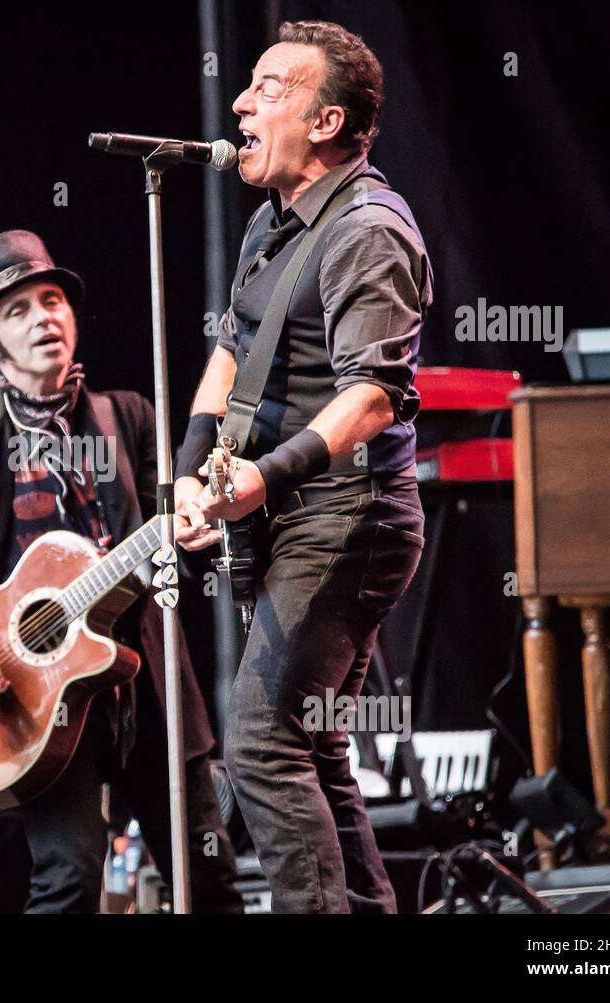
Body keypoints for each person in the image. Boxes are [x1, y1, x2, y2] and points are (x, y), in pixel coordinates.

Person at [0, 230, 241, 913]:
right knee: (69, 881)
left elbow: (186, 515)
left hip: (149, 688)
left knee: (212, 880)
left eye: (53, 300)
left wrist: (197, 519)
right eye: (18, 310)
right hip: (37, 704)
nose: (46, 316)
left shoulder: (126, 415)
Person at [174, 21, 433, 913]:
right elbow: (228, 353)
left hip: (348, 519)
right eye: (246, 87)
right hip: (299, 516)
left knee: (260, 742)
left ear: (324, 122)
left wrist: (262, 476)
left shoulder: (366, 230)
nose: (242, 103)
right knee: (312, 744)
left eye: (268, 89)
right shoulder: (269, 224)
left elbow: (373, 397)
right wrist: (187, 468)